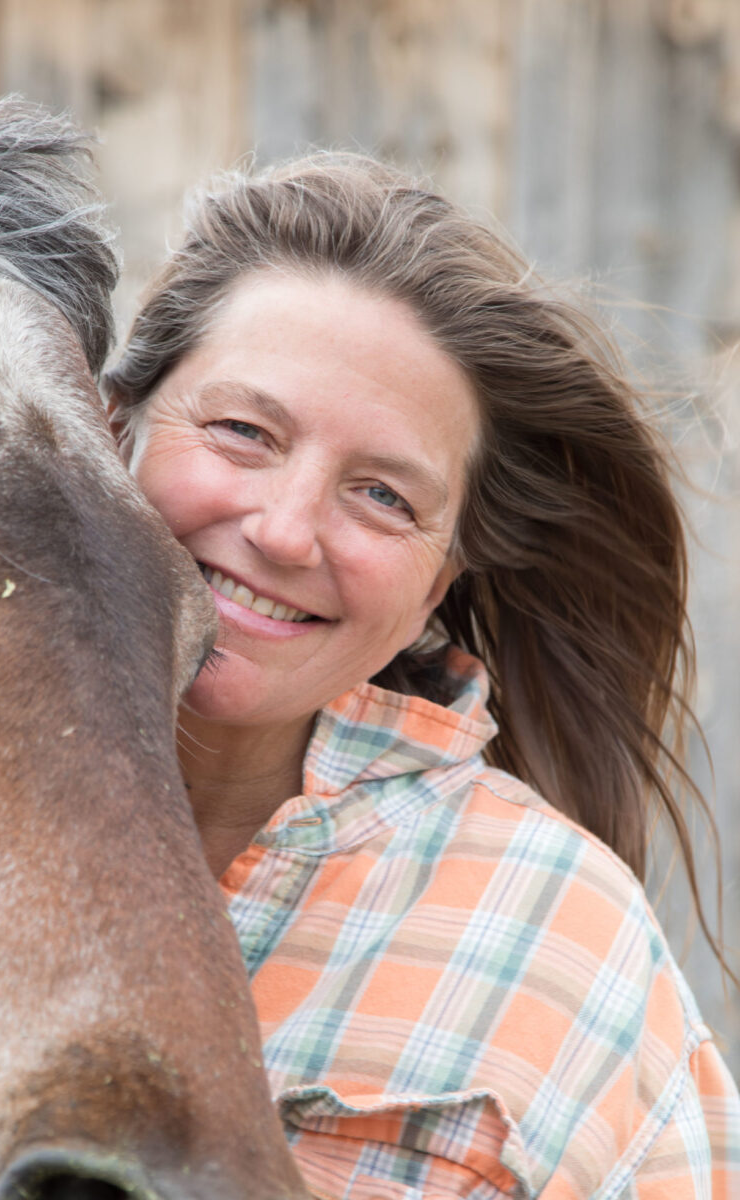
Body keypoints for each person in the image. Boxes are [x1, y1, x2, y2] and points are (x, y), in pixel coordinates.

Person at [102, 153, 740, 1198]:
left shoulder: (559, 937)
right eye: (243, 432)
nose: (285, 530)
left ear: (439, 580)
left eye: (384, 497)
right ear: (110, 423)